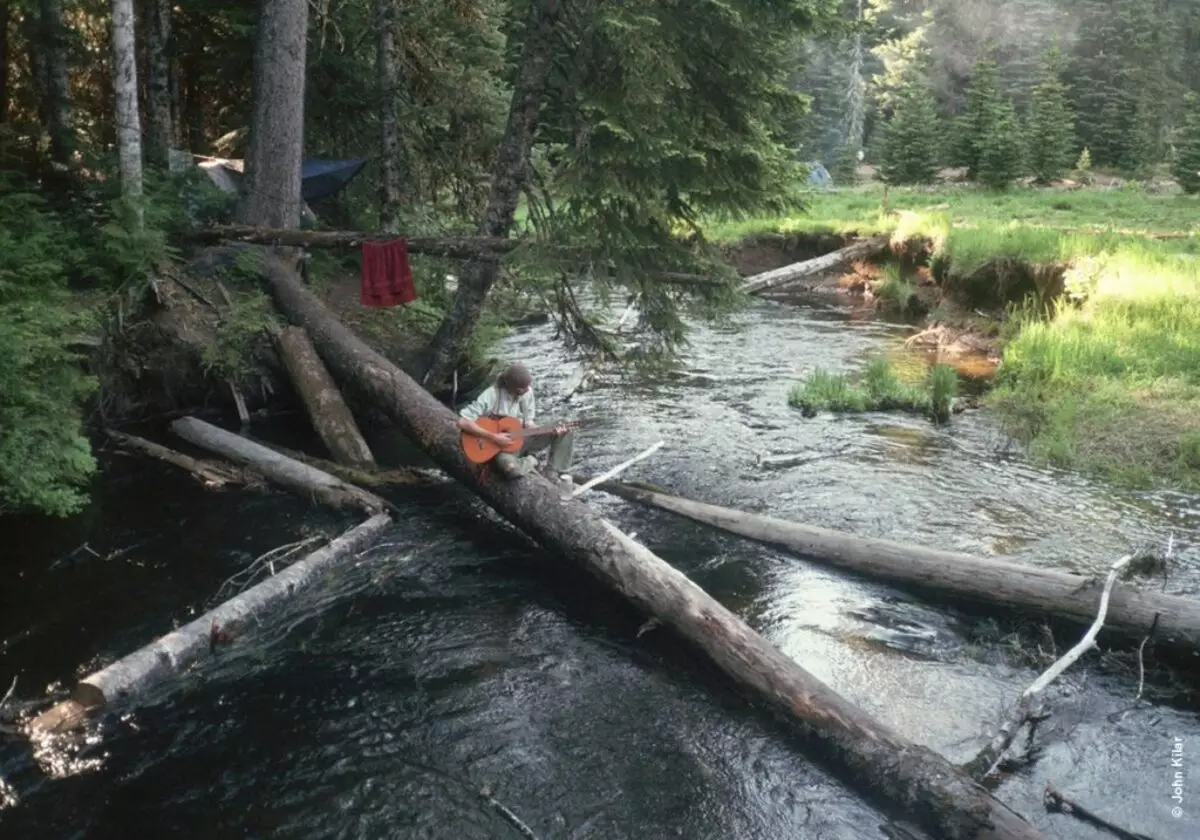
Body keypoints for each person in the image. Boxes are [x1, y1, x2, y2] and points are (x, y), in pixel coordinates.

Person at [456, 362, 575, 486]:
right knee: (512, 470)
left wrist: (547, 430)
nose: (526, 390)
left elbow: (529, 424)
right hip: (500, 450)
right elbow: (462, 421)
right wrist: (493, 437)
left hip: (522, 438)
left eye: (527, 387)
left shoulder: (527, 392)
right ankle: (531, 460)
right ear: (510, 385)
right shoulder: (492, 394)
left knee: (565, 426)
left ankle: (552, 472)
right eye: (522, 388)